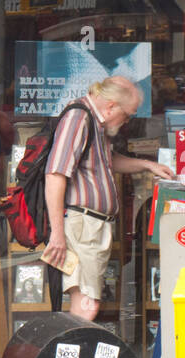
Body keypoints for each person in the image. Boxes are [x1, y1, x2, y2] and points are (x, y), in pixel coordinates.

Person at [41, 76, 174, 321]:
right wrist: (57, 234)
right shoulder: (79, 118)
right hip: (82, 227)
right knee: (86, 304)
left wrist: (147, 165)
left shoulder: (97, 122)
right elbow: (55, 175)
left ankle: (73, 353)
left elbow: (106, 161)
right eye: (127, 115)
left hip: (91, 227)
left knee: (86, 302)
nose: (127, 122)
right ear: (111, 106)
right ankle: (72, 356)